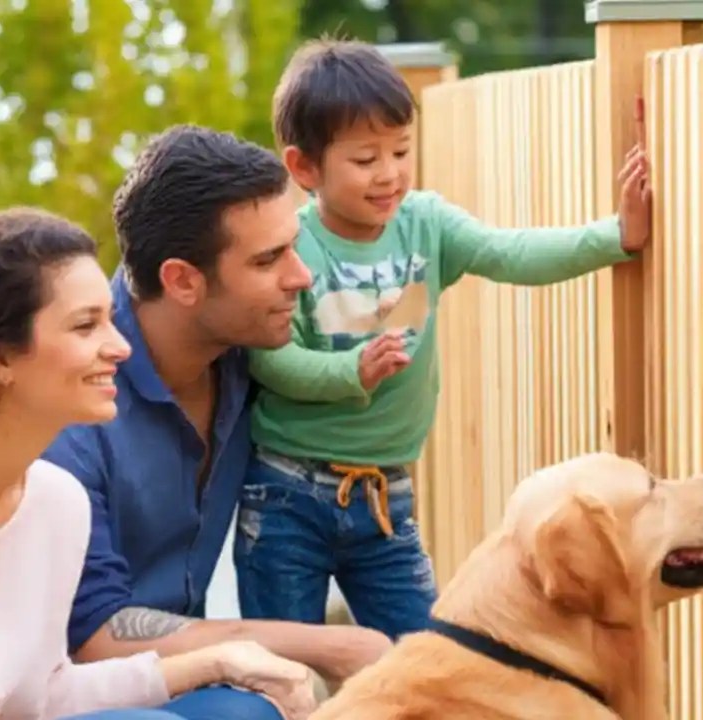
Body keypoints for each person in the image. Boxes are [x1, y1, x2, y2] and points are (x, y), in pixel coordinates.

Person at [234, 39, 654, 641]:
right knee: (286, 665)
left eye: (401, 150)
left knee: (428, 650)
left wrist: (617, 235)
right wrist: (353, 370)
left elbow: (511, 253)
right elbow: (272, 360)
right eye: (365, 159)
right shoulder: (294, 246)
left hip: (385, 495)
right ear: (304, 168)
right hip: (287, 494)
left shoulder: (425, 226)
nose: (390, 173)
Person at [0, 208, 317, 720]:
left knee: (240, 711)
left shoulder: (57, 500)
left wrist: (217, 660)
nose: (118, 347)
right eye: (86, 325)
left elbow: (47, 697)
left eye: (110, 320)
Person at [40, 125, 392, 718]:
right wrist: (331, 645)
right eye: (267, 259)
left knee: (249, 711)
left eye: (294, 245)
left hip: (189, 681)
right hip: (67, 693)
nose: (300, 276)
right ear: (182, 280)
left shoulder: (251, 354)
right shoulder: (72, 399)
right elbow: (94, 636)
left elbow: (395, 301)